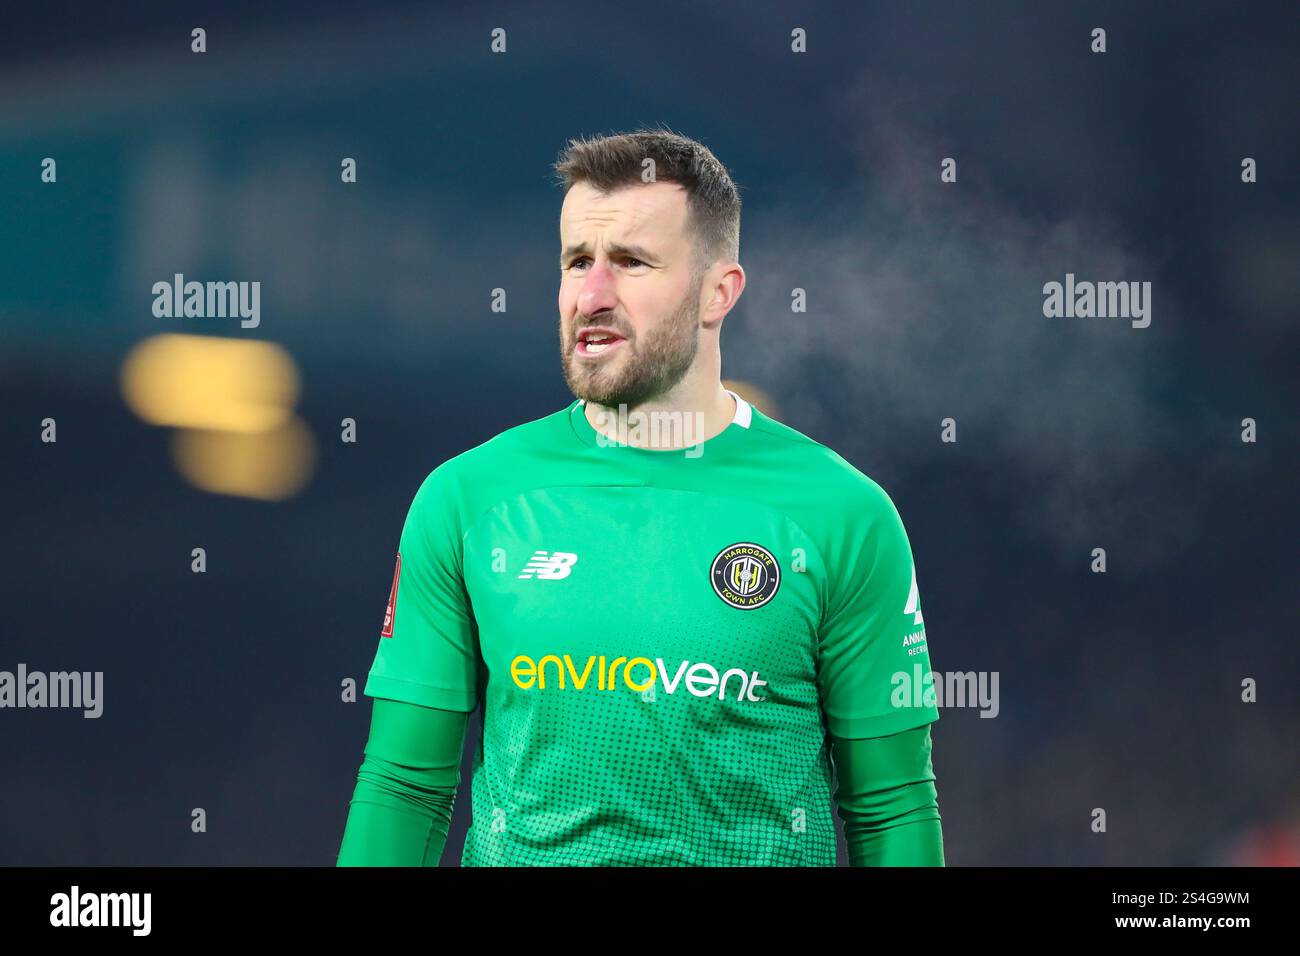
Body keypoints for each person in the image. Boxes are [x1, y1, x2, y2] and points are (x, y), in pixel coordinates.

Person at [337, 128, 943, 866]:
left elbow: (891, 808)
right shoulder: (465, 498)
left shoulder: (844, 516)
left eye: (630, 262)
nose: (591, 294)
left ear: (718, 292)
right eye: (576, 262)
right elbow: (406, 787)